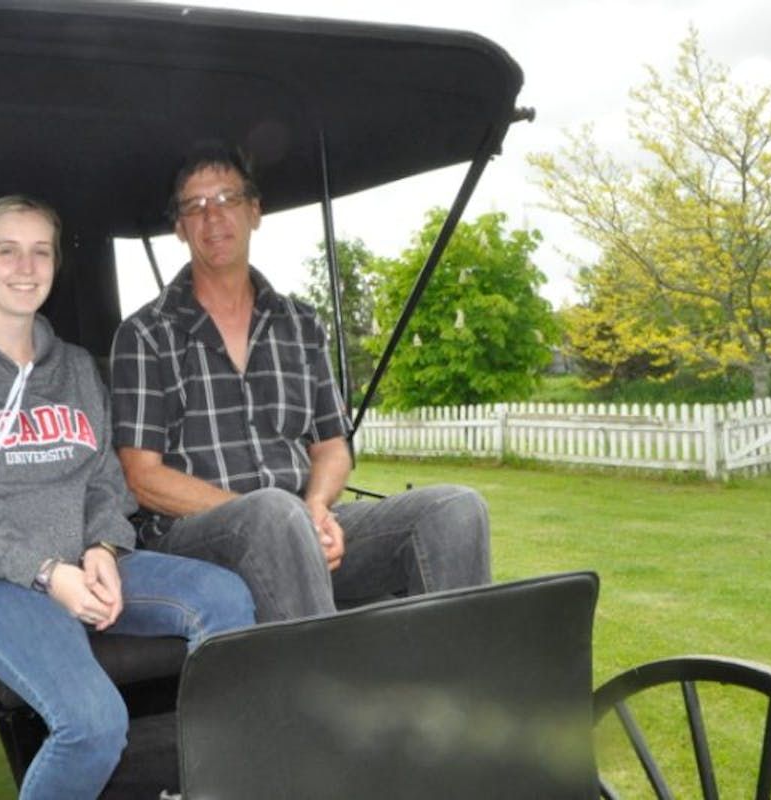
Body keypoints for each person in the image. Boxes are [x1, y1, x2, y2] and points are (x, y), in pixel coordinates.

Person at [0, 195, 254, 799]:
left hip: (86, 562)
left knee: (226, 599)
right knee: (92, 727)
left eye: (41, 252)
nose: (25, 267)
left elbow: (104, 480)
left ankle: (210, 777)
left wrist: (103, 547)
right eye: (7, 251)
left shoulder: (78, 368)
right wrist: (44, 572)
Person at [111, 142, 491, 624]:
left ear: (255, 211)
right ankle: (322, 675)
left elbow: (332, 447)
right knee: (275, 515)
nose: (213, 217)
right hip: (194, 537)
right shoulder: (146, 333)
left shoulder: (300, 324)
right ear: (180, 228)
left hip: (298, 522)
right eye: (195, 206)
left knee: (455, 509)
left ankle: (455, 671)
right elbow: (141, 477)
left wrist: (314, 508)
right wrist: (276, 518)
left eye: (227, 199)